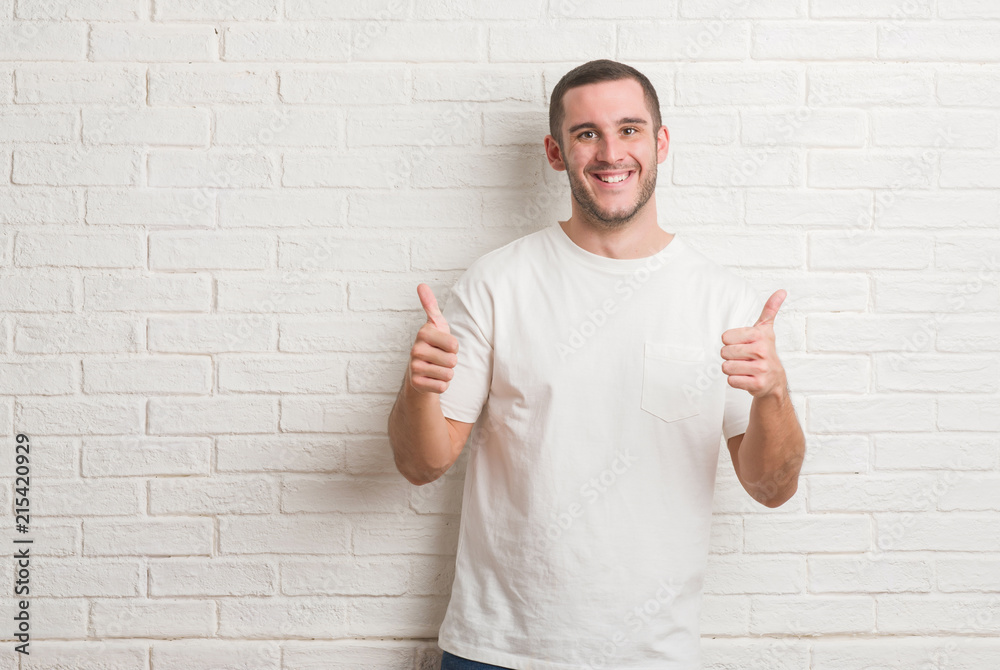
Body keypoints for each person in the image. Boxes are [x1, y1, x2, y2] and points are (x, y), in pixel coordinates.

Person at [387, 59, 806, 670]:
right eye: (587, 134)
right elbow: (420, 464)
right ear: (557, 153)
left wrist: (773, 395)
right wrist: (418, 388)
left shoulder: (727, 303)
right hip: (499, 649)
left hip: (652, 656)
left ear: (660, 142)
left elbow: (772, 488)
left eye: (630, 130)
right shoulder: (497, 283)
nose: (611, 152)